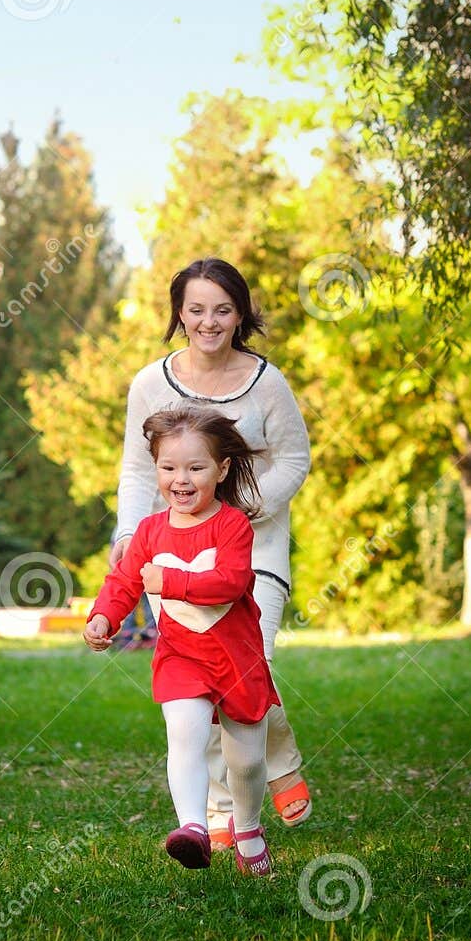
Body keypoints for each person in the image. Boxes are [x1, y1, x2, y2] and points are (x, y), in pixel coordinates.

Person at [109, 257, 311, 846]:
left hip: (253, 547)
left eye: (222, 309)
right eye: (196, 309)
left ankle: (281, 766)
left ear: (240, 313)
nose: (208, 321)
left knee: (253, 669)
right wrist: (129, 535)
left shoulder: (267, 383)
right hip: (174, 557)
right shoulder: (150, 383)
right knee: (198, 683)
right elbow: (134, 468)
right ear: (179, 313)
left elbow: (295, 460)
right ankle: (225, 811)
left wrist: (240, 513)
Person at [83, 404, 278, 877]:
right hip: (182, 656)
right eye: (168, 467)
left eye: (195, 467)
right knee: (184, 737)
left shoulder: (231, 525)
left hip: (237, 659)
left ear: (222, 468)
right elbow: (124, 581)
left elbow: (229, 583)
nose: (181, 479)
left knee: (247, 761)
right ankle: (193, 829)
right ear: (156, 470)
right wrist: (104, 617)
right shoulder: (149, 531)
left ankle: (247, 829)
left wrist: (167, 581)